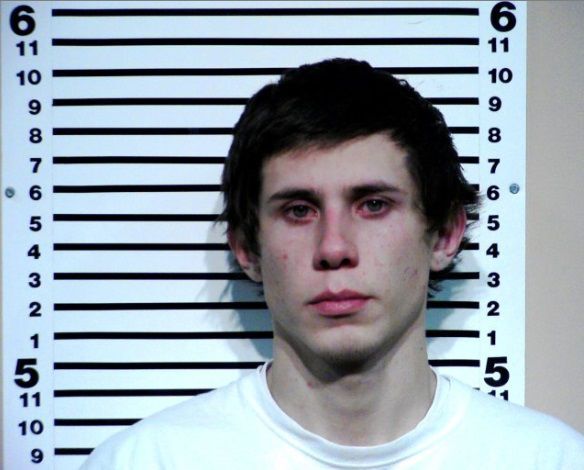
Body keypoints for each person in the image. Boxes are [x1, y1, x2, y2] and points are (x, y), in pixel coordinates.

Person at [81, 58, 584, 469]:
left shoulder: (549, 460)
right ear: (247, 249)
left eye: (373, 205)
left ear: (446, 234)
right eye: (299, 211)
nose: (334, 248)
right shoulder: (144, 462)